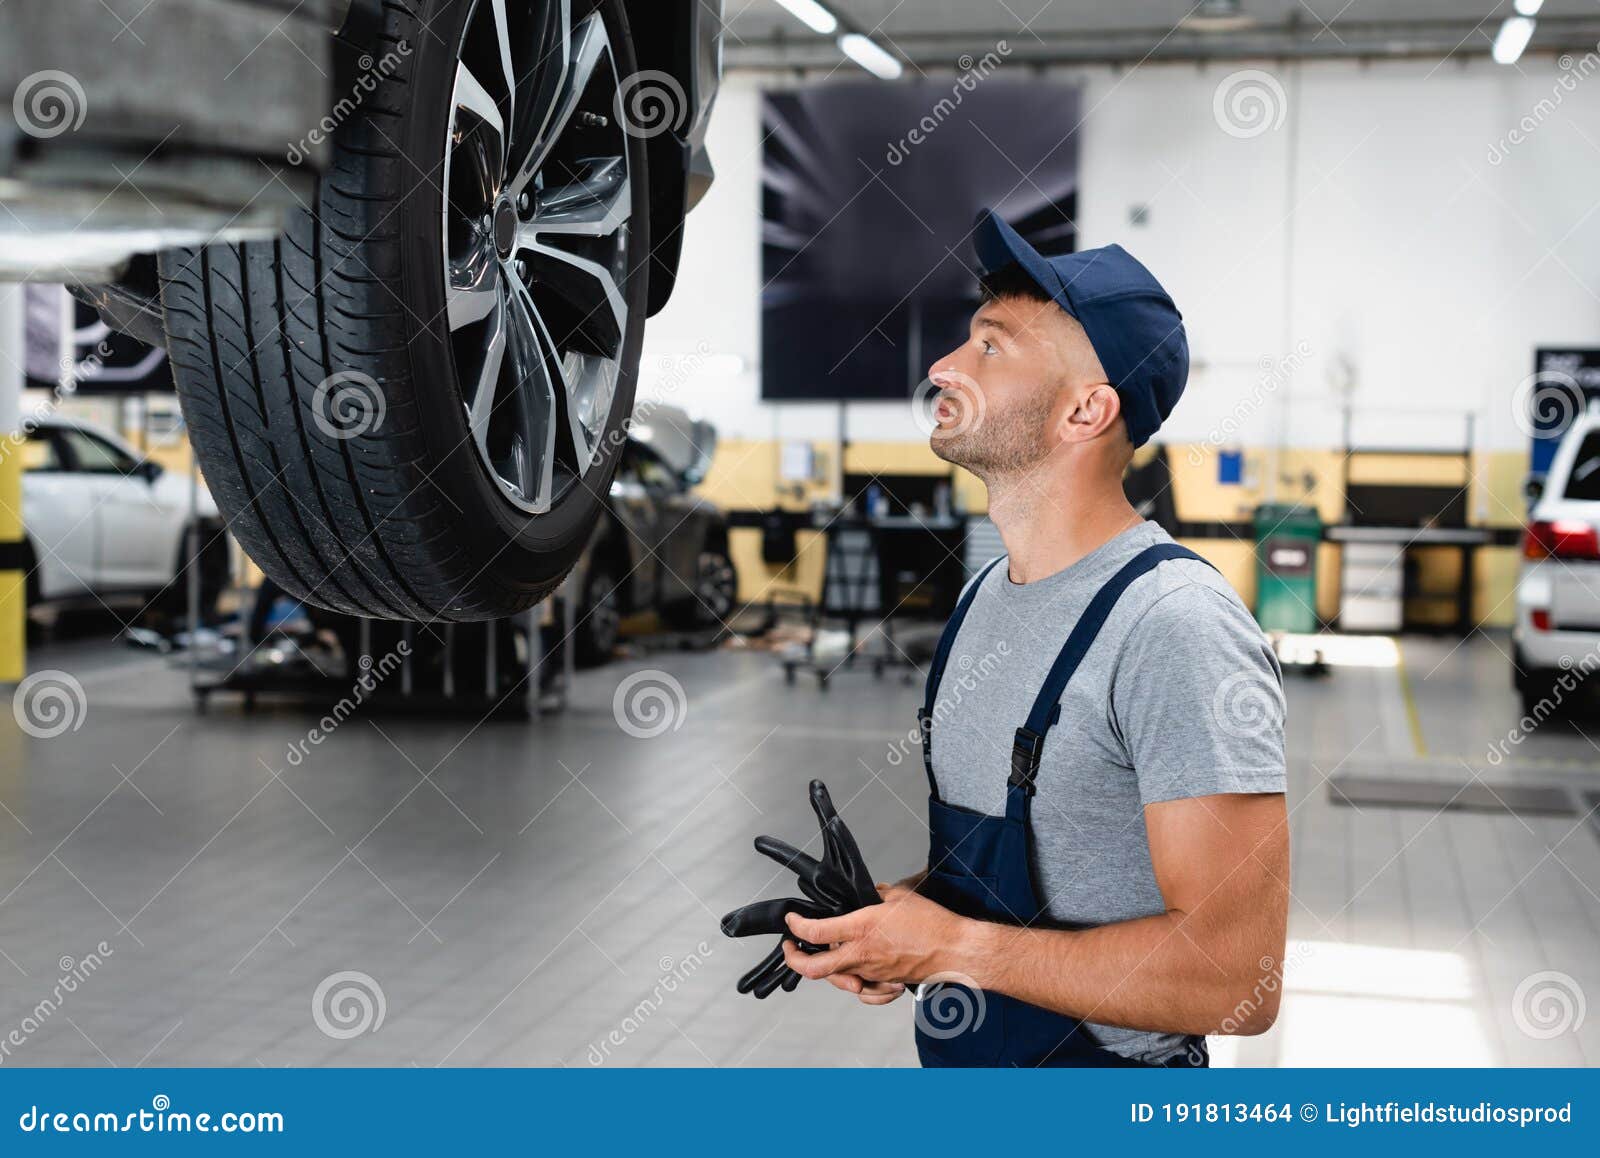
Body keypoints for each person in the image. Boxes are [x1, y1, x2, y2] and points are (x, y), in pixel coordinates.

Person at [781, 210, 1289, 1068]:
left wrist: (947, 949)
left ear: (1088, 410)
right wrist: (884, 923)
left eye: (991, 346)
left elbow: (1236, 977)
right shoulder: (985, 597)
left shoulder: (1174, 628)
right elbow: (1016, 893)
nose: (943, 366)